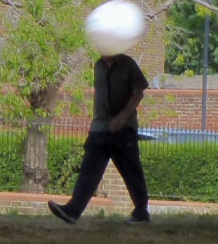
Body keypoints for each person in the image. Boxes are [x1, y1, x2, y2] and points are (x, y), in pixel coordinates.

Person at [48, 34, 151, 225]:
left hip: (123, 128)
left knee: (131, 170)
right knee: (89, 170)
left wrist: (123, 116)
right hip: (99, 128)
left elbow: (139, 92)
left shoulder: (128, 64)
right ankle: (72, 210)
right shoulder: (97, 66)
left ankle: (141, 211)